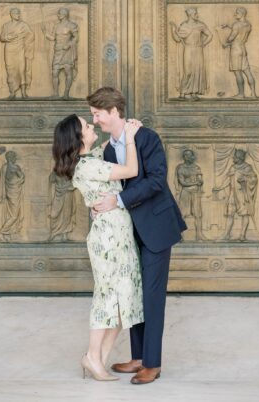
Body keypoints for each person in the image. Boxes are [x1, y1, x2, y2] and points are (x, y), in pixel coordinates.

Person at [89, 85, 186, 386]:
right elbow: (107, 185)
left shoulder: (147, 138)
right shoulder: (107, 150)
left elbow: (156, 181)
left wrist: (118, 201)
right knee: (133, 293)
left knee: (152, 296)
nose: (94, 120)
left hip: (156, 229)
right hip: (128, 232)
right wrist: (98, 206)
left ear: (113, 111)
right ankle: (138, 357)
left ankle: (152, 364)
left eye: (97, 114)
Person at [51, 111, 144, 384]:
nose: (92, 125)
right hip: (108, 239)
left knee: (123, 303)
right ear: (78, 138)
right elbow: (131, 170)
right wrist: (129, 137)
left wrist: (124, 129)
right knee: (106, 299)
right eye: (86, 125)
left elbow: (108, 144)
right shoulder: (88, 166)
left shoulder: (92, 158)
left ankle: (97, 360)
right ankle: (93, 356)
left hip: (120, 236)